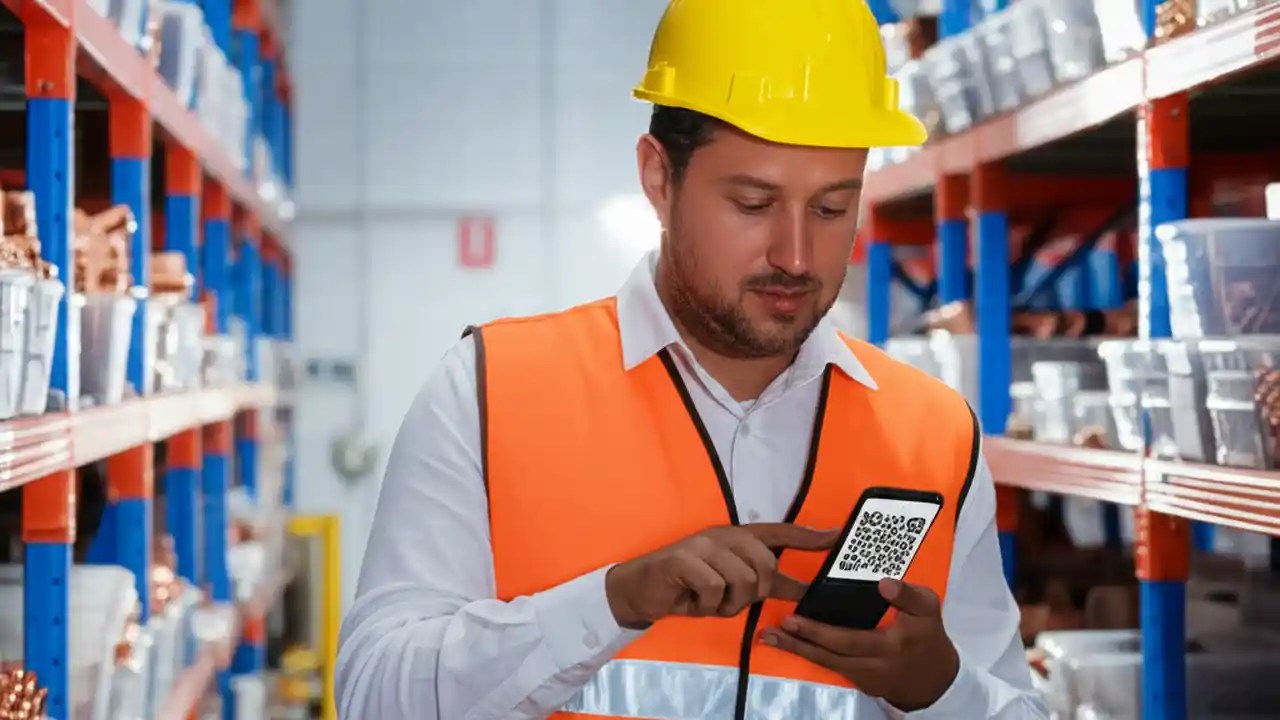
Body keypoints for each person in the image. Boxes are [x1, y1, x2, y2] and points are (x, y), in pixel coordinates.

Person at [336, 1, 1048, 717]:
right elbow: (374, 696)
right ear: (658, 178)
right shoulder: (491, 390)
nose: (796, 256)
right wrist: (612, 600)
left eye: (832, 209)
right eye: (752, 203)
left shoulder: (935, 433)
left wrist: (942, 691)